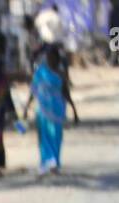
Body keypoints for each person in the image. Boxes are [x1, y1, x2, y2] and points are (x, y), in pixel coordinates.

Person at [26, 45, 77, 175]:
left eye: (51, 57)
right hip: (43, 109)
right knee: (44, 136)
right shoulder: (40, 72)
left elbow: (65, 92)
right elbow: (33, 90)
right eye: (47, 57)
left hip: (58, 109)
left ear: (56, 58)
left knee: (56, 136)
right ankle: (45, 162)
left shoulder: (61, 72)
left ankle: (55, 162)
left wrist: (74, 111)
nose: (49, 59)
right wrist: (27, 107)